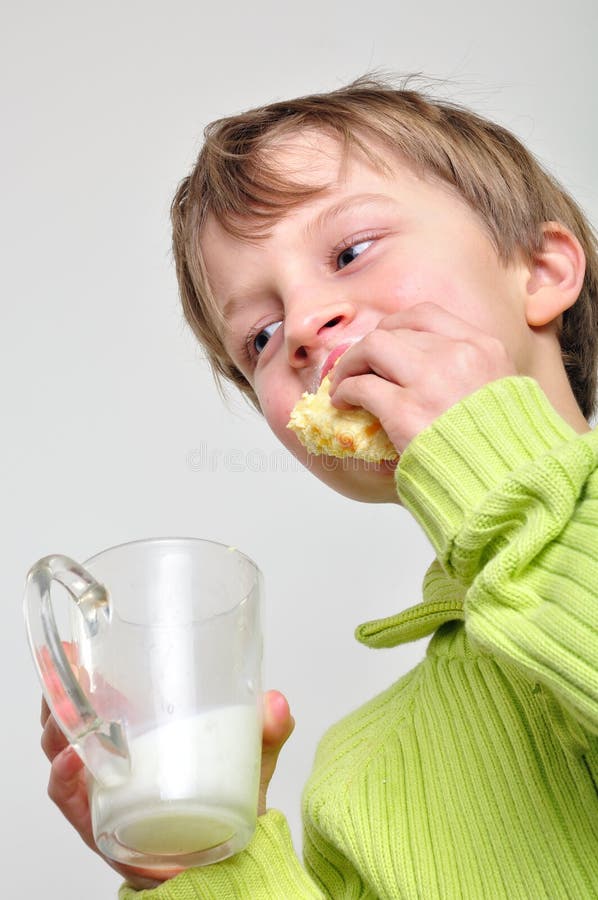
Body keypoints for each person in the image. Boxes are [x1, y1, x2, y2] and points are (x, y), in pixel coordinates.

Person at [41, 76, 598, 898]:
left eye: (350, 252)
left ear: (542, 271)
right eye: (259, 336)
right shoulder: (361, 776)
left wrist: (502, 475)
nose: (302, 325)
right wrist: (199, 866)